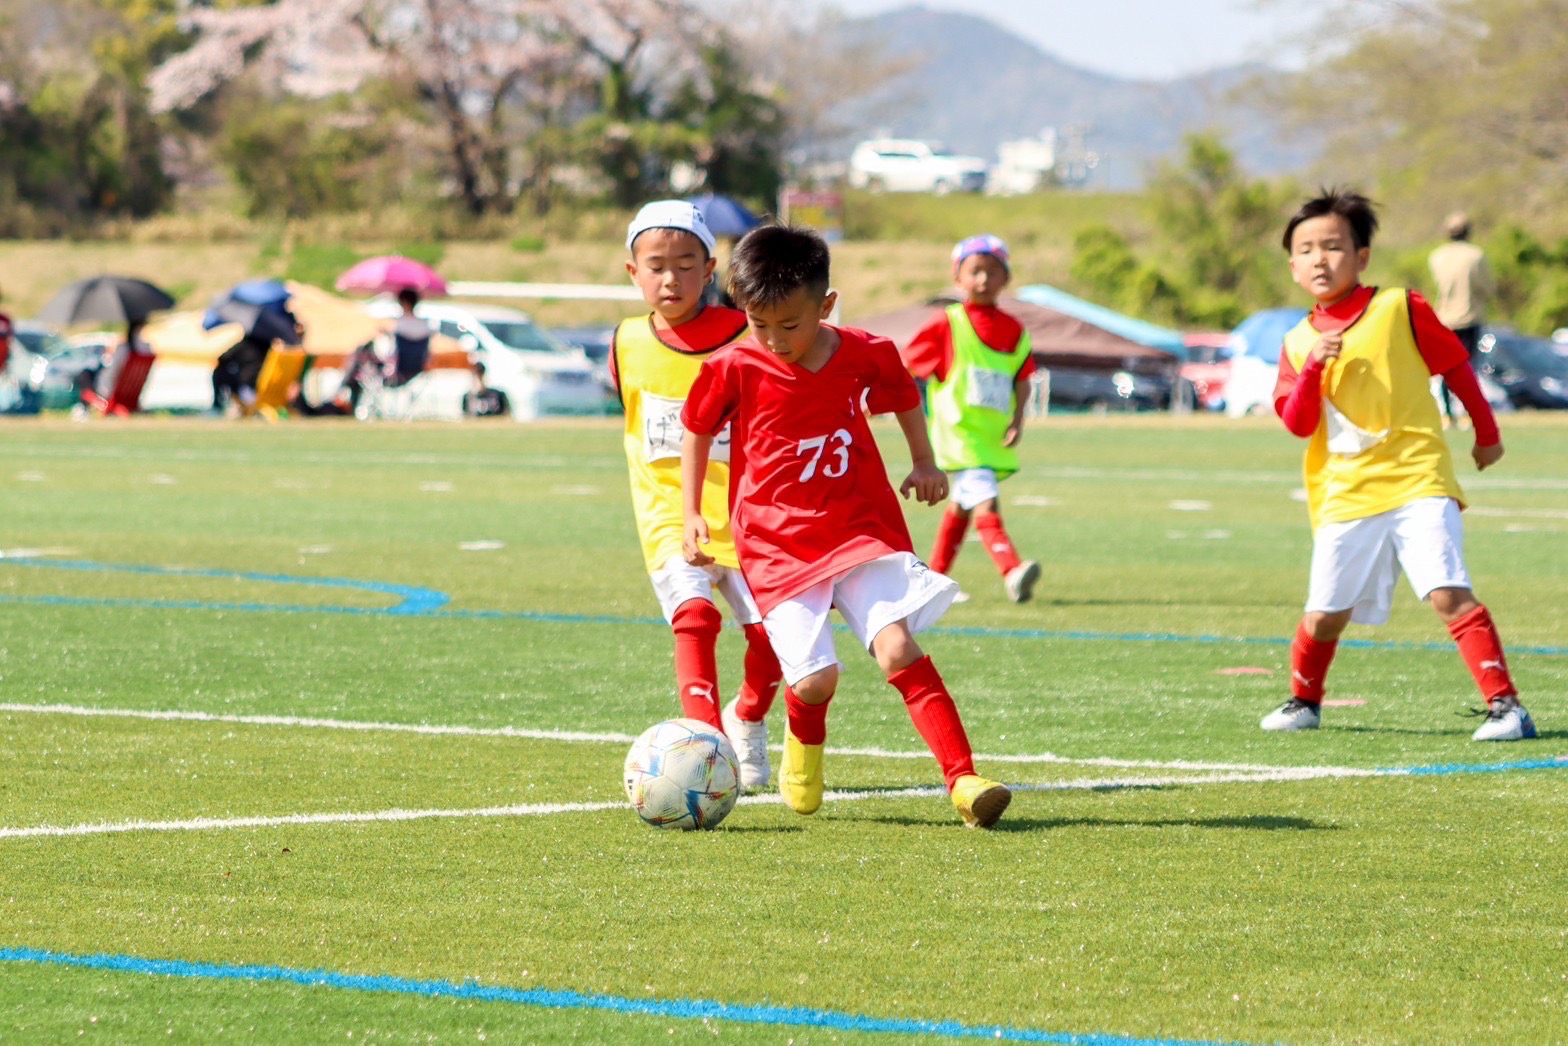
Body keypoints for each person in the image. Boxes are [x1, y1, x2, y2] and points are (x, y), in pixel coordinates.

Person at [680, 224, 1012, 827]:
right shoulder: (733, 366)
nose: (776, 340)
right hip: (775, 544)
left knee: (898, 648)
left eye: (791, 325)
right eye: (760, 325)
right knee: (815, 681)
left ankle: (964, 780)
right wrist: (691, 513)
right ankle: (803, 751)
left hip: (859, 530)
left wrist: (924, 461)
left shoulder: (864, 352)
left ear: (826, 305)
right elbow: (698, 428)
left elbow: (903, 396)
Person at [1262, 188, 1535, 742]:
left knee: (1447, 592)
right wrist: (1314, 366)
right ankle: (1304, 702)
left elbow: (1455, 366)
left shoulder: (1399, 307)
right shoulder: (1295, 342)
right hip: (1347, 489)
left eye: (1334, 246)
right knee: (1324, 615)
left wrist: (1487, 433)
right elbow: (1295, 422)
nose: (1320, 258)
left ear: (1361, 256)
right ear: (1292, 266)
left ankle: (1507, 708)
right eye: (1307, 249)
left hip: (1418, 477)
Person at [611, 200, 782, 789]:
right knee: (695, 615)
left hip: (751, 515)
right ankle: (708, 749)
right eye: (655, 265)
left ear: (710, 270)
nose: (670, 278)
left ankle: (748, 717)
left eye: (686, 264)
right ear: (632, 272)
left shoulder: (747, 334)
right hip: (668, 514)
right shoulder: (626, 340)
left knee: (773, 638)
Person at [902, 234, 1041, 603]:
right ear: (958, 276)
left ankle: (931, 580)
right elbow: (908, 364)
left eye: (993, 272)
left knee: (962, 506)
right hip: (959, 433)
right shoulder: (947, 323)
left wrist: (1017, 421)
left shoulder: (1015, 330)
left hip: (991, 435)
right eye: (975, 271)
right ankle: (1012, 570)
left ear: (1006, 278)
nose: (983, 279)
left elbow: (1022, 378)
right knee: (985, 503)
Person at [1427, 211, 1495, 426]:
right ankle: (1467, 412)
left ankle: (1448, 414)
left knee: (1447, 368)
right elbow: (1487, 288)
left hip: (1444, 318)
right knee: (1468, 368)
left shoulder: (1437, 256)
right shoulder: (1475, 255)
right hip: (1469, 317)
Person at [212, 332, 271, 415]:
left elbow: (222, 358)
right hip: (264, 387)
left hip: (247, 388)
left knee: (219, 372)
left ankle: (217, 406)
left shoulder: (244, 345)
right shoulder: (267, 346)